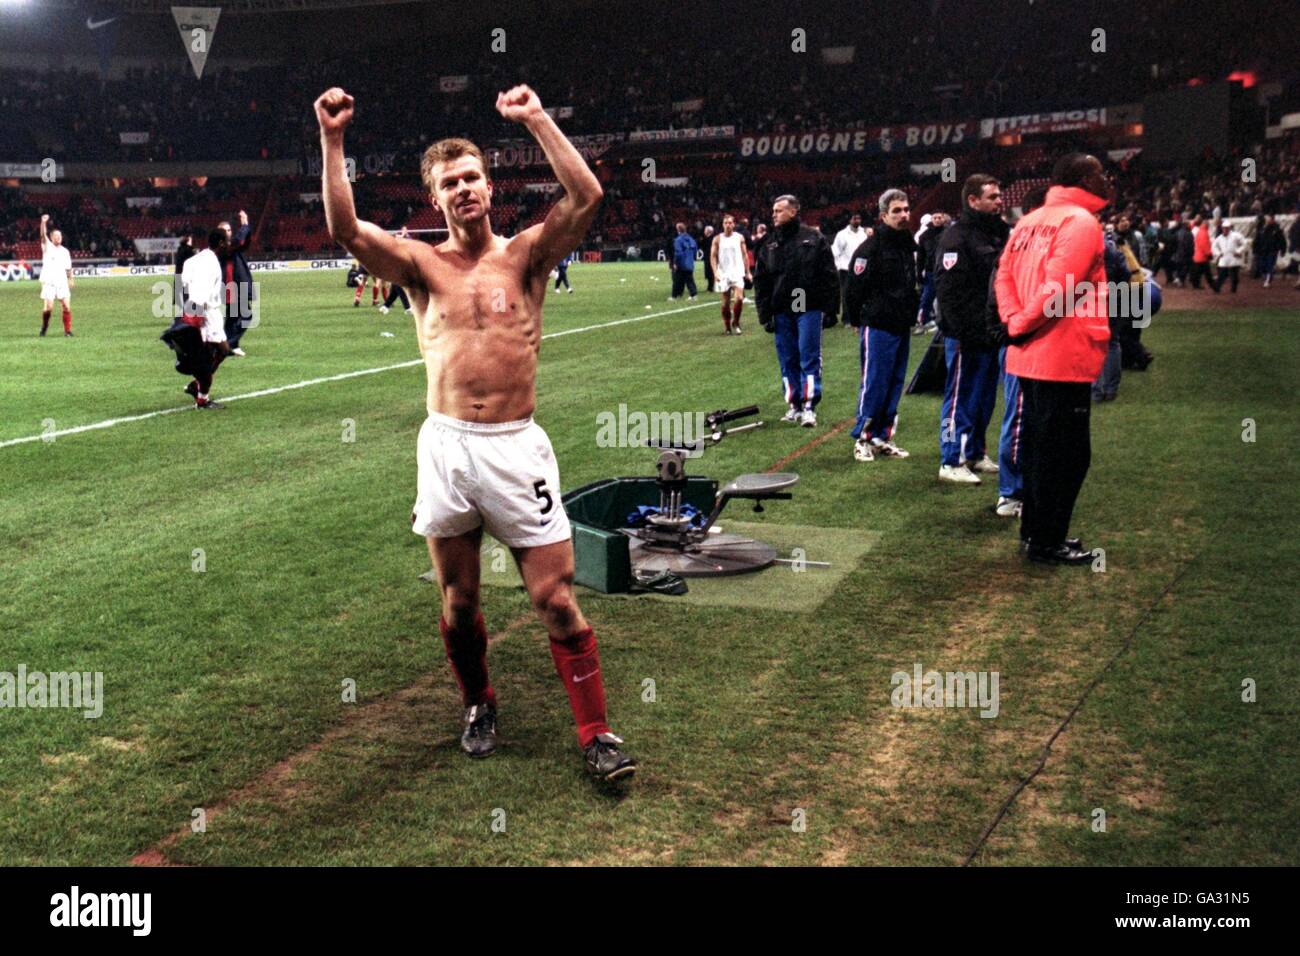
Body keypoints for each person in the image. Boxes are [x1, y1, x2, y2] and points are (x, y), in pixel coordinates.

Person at [315, 82, 636, 781]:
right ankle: (479, 701)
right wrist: (334, 138)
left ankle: (597, 733)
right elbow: (345, 230)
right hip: (448, 447)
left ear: (489, 186)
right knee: (459, 606)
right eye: (449, 183)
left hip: (517, 447)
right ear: (435, 198)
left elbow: (586, 199)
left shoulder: (525, 256)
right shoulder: (419, 266)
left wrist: (536, 118)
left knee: (556, 600)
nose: (463, 190)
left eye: (472, 177)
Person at [995, 153, 1111, 565]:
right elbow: (1059, 290)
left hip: (1031, 354)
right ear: (1081, 178)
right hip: (1062, 353)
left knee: (1041, 448)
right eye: (1099, 172)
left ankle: (1037, 535)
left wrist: (1012, 321)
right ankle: (1047, 541)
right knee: (1067, 454)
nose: (1106, 178)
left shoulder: (1029, 221)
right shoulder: (1080, 223)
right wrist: (1021, 324)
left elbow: (1003, 276)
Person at [935, 175, 1008, 484]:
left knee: (985, 397)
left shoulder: (998, 233)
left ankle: (975, 452)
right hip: (966, 334)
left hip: (992, 332)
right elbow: (948, 291)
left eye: (999, 194)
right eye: (992, 196)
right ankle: (950, 459)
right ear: (973, 200)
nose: (999, 200)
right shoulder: (956, 237)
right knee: (959, 398)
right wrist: (961, 330)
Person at [842, 188, 918, 460]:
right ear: (884, 215)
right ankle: (862, 438)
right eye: (897, 211)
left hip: (902, 323)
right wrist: (855, 319)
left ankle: (880, 437)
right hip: (878, 325)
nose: (904, 215)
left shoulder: (907, 245)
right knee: (875, 382)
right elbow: (853, 287)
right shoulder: (870, 248)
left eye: (906, 209)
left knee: (895, 382)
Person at [753, 194, 840, 427]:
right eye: (773, 210)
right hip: (782, 307)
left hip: (806, 303)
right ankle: (794, 405)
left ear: (793, 212)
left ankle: (809, 406)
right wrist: (765, 315)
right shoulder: (769, 243)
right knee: (787, 358)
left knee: (808, 355)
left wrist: (831, 309)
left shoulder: (814, 237)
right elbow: (761, 281)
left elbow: (830, 275)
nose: (774, 214)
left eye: (779, 210)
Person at [988, 184, 1048, 519]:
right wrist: (1009, 332)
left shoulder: (1038, 244)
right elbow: (997, 294)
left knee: (1039, 419)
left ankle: (1029, 487)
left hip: (1041, 344)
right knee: (1021, 416)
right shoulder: (1019, 244)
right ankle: (1011, 492)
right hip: (1023, 343)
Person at [178, 228, 233, 409]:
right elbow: (200, 292)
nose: (229, 244)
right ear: (221, 243)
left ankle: (198, 388)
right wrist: (198, 319)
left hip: (203, 310)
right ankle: (201, 396)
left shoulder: (199, 258)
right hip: (206, 312)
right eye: (227, 241)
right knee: (218, 352)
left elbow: (185, 278)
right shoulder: (210, 263)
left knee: (218, 352)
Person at [218, 211, 254, 356]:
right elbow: (239, 241)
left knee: (232, 318)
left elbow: (244, 242)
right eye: (225, 230)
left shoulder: (231, 245)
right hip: (232, 287)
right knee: (246, 316)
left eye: (229, 230)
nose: (228, 232)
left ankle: (229, 345)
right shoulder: (223, 245)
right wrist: (245, 223)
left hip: (237, 285)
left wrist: (247, 229)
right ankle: (229, 344)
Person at [710, 214, 751, 334]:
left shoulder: (740, 237)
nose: (728, 225)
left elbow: (745, 255)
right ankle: (727, 326)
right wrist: (715, 273)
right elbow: (712, 257)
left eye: (730, 223)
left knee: (739, 298)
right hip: (723, 272)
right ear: (723, 224)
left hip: (737, 271)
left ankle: (736, 322)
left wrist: (748, 272)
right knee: (726, 302)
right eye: (725, 223)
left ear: (734, 224)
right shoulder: (717, 239)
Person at [38, 214, 74, 337]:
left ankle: (67, 331)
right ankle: (44, 327)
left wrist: (70, 279)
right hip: (49, 281)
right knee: (49, 307)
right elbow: (42, 235)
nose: (58, 238)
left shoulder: (65, 252)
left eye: (60, 236)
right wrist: (43, 223)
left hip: (62, 282)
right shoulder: (47, 246)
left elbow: (68, 268)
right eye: (56, 236)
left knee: (66, 307)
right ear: (51, 238)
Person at [831, 212, 869, 320]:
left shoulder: (863, 233)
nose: (857, 220)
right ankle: (846, 318)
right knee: (847, 294)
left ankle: (859, 315)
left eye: (859, 218)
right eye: (854, 218)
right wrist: (838, 266)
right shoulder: (842, 234)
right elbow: (835, 252)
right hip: (846, 269)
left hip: (861, 268)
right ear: (849, 220)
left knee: (860, 292)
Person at [915, 211, 948, 335]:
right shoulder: (925, 236)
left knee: (946, 298)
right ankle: (922, 322)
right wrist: (919, 273)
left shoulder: (949, 233)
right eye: (935, 218)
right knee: (927, 297)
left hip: (946, 271)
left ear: (943, 219)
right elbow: (920, 257)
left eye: (940, 217)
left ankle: (944, 322)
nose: (937, 220)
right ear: (931, 220)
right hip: (931, 272)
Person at [1211, 220, 1247, 293]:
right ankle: (1216, 288)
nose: (1225, 230)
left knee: (1234, 276)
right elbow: (1214, 246)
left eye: (1227, 228)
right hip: (1224, 259)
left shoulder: (1236, 235)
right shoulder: (1220, 238)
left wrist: (1238, 251)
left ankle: (1233, 290)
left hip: (1234, 259)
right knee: (1221, 275)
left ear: (1229, 228)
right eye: (1224, 228)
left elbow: (1244, 243)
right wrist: (1218, 253)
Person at [1189, 215, 1219, 292]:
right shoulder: (1203, 232)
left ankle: (1195, 283)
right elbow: (1205, 245)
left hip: (1198, 255)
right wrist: (1209, 254)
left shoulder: (1200, 231)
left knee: (1199, 272)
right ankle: (1215, 287)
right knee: (1207, 274)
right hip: (1202, 256)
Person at [669, 222, 698, 300]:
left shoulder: (678, 240)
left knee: (677, 279)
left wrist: (675, 262)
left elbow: (678, 253)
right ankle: (693, 295)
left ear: (678, 230)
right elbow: (695, 250)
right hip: (690, 263)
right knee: (689, 279)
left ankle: (674, 296)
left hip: (682, 263)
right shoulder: (692, 240)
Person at [1256, 215, 1284, 288]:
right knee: (1262, 265)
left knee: (1270, 265)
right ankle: (1266, 278)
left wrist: (1282, 249)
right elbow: (1257, 239)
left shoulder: (1277, 229)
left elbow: (1282, 240)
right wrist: (1255, 249)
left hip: (1272, 250)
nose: (1268, 221)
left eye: (1269, 220)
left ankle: (1267, 281)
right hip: (1263, 250)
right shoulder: (1261, 229)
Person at [701, 224, 715, 292]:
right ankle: (710, 286)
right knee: (709, 273)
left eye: (705, 230)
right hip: (708, 257)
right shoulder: (707, 238)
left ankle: (711, 287)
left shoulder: (711, 239)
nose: (704, 232)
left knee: (710, 273)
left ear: (709, 231)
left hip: (710, 257)